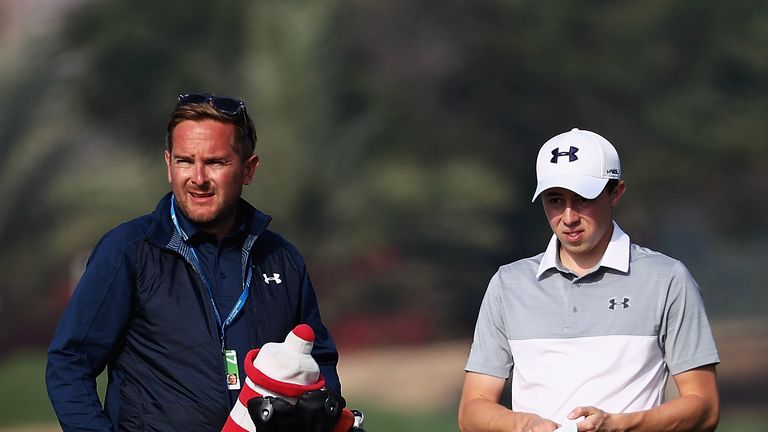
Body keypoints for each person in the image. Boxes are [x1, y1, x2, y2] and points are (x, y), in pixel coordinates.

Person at [46, 92, 341, 431]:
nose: (198, 178)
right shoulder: (127, 250)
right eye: (185, 161)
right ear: (168, 164)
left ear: (248, 169)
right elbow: (69, 362)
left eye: (215, 162)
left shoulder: (282, 259)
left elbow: (319, 365)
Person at [458, 128, 720, 432]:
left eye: (582, 199)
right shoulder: (509, 283)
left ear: (616, 193)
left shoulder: (667, 279)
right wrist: (520, 424)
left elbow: (705, 407)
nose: (568, 217)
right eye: (555, 200)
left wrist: (622, 425)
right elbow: (471, 412)